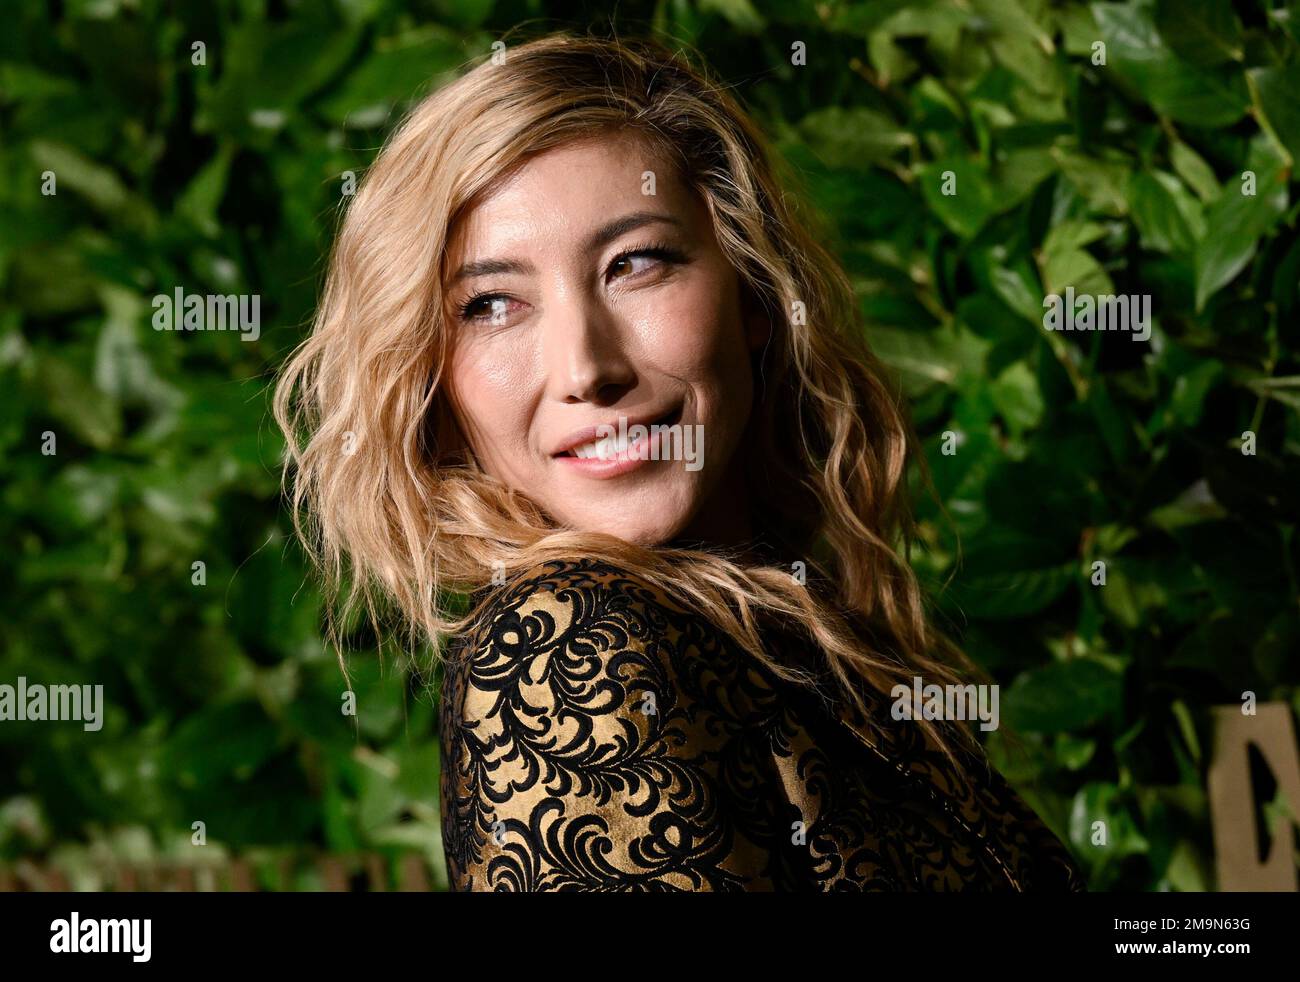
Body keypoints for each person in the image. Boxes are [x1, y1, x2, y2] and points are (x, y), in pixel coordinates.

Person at [273, 31, 1086, 892]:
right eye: (492, 305)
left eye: (635, 263)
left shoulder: (810, 634)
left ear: (755, 296)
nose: (587, 368)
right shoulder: (563, 648)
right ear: (435, 380)